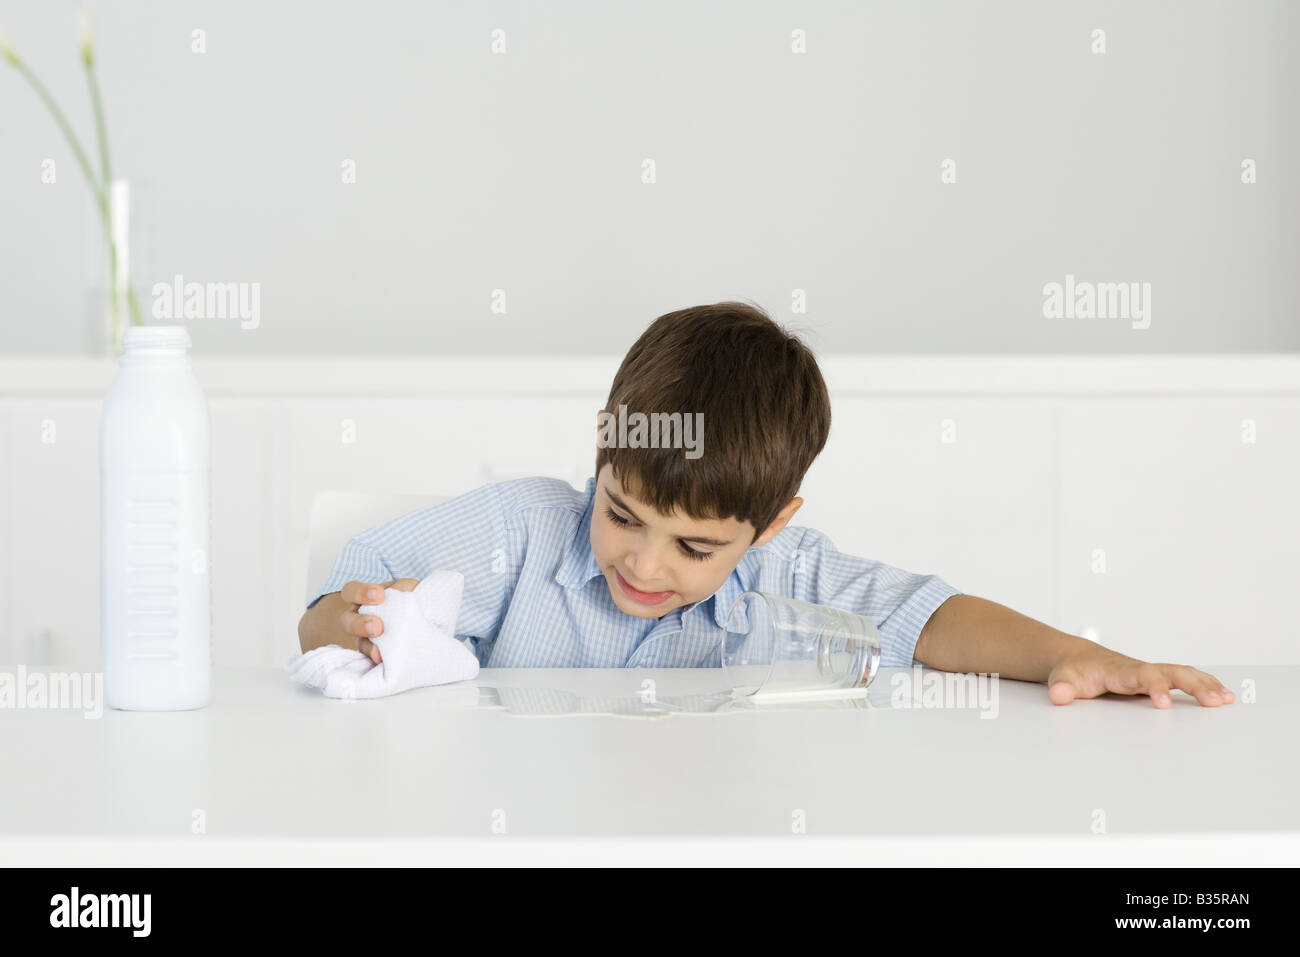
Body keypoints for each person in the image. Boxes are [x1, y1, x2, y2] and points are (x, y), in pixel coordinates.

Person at [298, 301, 1233, 708]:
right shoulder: (516, 532)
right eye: (622, 513)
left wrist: (1076, 654)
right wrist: (349, 624)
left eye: (697, 545)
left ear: (770, 524)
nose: (646, 563)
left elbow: (928, 619)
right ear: (602, 449)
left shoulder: (787, 572)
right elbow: (332, 609)